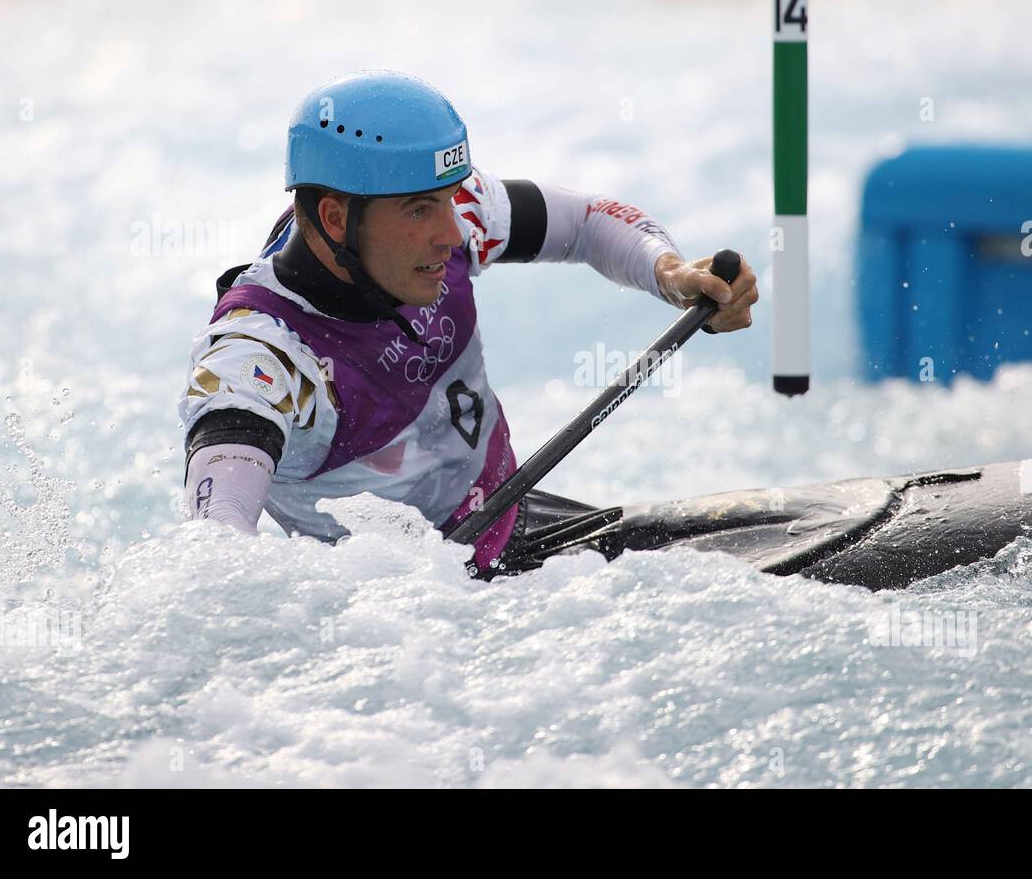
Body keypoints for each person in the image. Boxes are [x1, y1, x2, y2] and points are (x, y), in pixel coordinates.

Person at [178, 70, 757, 577]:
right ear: (334, 218)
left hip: (522, 524)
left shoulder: (431, 217)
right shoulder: (256, 361)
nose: (454, 234)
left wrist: (673, 275)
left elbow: (584, 221)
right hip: (417, 619)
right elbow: (214, 556)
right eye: (420, 210)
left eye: (450, 200)